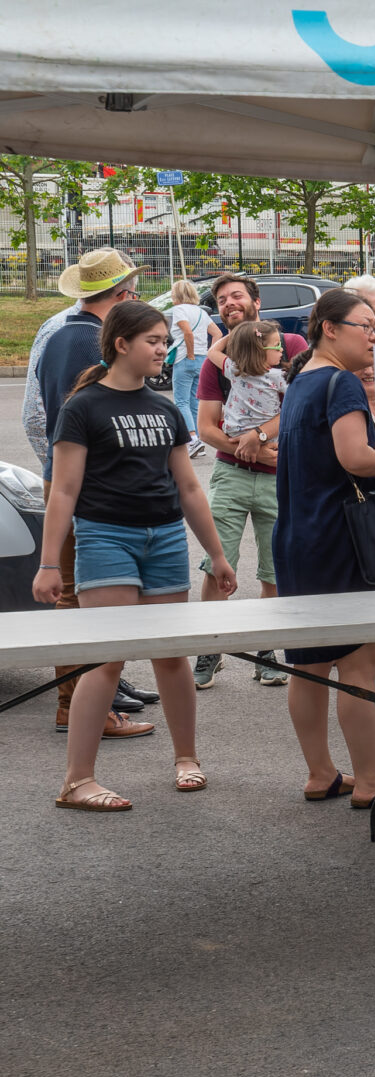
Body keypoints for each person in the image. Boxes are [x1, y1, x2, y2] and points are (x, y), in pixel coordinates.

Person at [34, 301, 236, 811]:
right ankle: (77, 780)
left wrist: (217, 554)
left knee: (172, 655)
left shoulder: (165, 408)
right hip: (106, 538)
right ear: (121, 344)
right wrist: (49, 563)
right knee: (106, 658)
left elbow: (189, 486)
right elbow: (63, 491)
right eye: (152, 339)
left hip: (165, 539)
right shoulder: (82, 407)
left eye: (164, 339)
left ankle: (186, 759)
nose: (162, 349)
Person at [273, 290, 375, 809]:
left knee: (308, 665)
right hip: (341, 538)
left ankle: (321, 773)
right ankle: (371, 780)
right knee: (358, 663)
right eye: (366, 326)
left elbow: (327, 454)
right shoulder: (343, 381)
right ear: (330, 327)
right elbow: (353, 457)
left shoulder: (301, 381)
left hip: (297, 539)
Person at [25, 248, 155, 739]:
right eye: (133, 293)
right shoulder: (86, 343)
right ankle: (83, 707)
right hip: (85, 482)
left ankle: (81, 703)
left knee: (75, 597)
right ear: (120, 296)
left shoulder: (62, 335)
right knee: (81, 600)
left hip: (65, 475)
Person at [193, 273, 306, 689]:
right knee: (216, 562)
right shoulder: (225, 362)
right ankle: (211, 648)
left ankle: (267, 649)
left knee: (274, 568)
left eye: (236, 295)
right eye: (221, 299)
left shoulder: (291, 348)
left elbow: (300, 406)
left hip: (281, 477)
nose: (228, 303)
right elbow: (206, 428)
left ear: (257, 300)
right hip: (231, 473)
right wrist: (248, 447)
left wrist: (258, 437)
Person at [165, 279, 218, 445]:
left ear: (177, 294)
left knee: (181, 400)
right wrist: (209, 353)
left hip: (186, 358)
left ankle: (192, 438)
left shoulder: (179, 309)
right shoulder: (201, 312)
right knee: (195, 401)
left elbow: (187, 332)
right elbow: (217, 333)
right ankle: (199, 438)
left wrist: (190, 354)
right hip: (202, 359)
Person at [219, 321, 289, 441]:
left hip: (234, 432)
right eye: (277, 345)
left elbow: (212, 352)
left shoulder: (234, 369)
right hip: (268, 437)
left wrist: (235, 335)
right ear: (259, 350)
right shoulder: (278, 376)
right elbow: (298, 400)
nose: (281, 349)